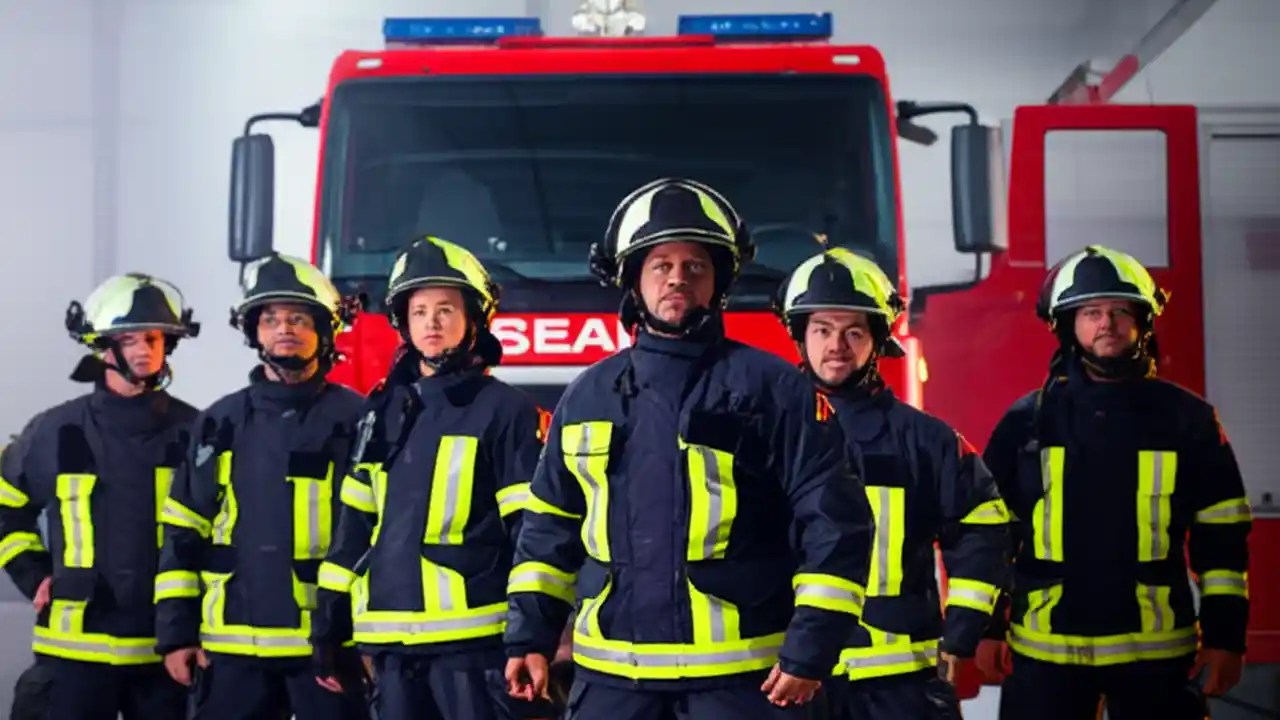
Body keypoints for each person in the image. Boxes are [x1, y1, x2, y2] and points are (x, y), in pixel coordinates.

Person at [503, 177, 875, 719]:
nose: (678, 278)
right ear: (634, 280)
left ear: (718, 281)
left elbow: (834, 522)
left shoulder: (774, 389)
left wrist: (811, 651)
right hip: (613, 683)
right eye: (661, 265)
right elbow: (550, 526)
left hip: (741, 684)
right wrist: (530, 637)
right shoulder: (588, 393)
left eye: (695, 266)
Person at [982, 245, 1252, 720]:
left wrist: (1227, 639)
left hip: (1156, 659)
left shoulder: (1188, 421)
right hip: (1046, 656)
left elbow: (1223, 541)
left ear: (1141, 323)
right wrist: (984, 630)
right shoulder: (1027, 424)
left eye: (1119, 311)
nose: (1106, 323)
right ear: (1069, 326)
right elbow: (989, 536)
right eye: (1091, 313)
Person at [312, 236, 556, 720]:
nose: (432, 322)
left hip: (474, 649)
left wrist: (531, 636)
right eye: (419, 310)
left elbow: (530, 534)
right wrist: (329, 628)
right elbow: (354, 529)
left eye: (446, 309)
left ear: (473, 320)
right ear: (403, 322)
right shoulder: (381, 412)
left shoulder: (506, 411)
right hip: (390, 644)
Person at [773, 247, 1012, 719]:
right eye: (822, 330)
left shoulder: (927, 440)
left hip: (900, 683)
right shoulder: (766, 432)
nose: (836, 345)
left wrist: (963, 630)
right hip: (788, 675)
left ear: (877, 341)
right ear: (801, 337)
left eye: (853, 332)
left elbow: (983, 523)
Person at [154, 253, 369, 720]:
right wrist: (177, 636)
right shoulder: (219, 421)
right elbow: (183, 530)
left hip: (329, 649)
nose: (283, 328)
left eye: (297, 318)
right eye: (270, 319)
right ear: (254, 332)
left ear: (324, 331)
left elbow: (379, 535)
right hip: (231, 650)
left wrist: (367, 642)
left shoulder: (359, 420)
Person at [0, 273, 200, 719]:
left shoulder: (196, 432)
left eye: (154, 338)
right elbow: (5, 510)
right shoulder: (53, 432)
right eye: (130, 339)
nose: (145, 350)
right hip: (73, 654)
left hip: (164, 654)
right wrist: (32, 574)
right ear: (102, 347)